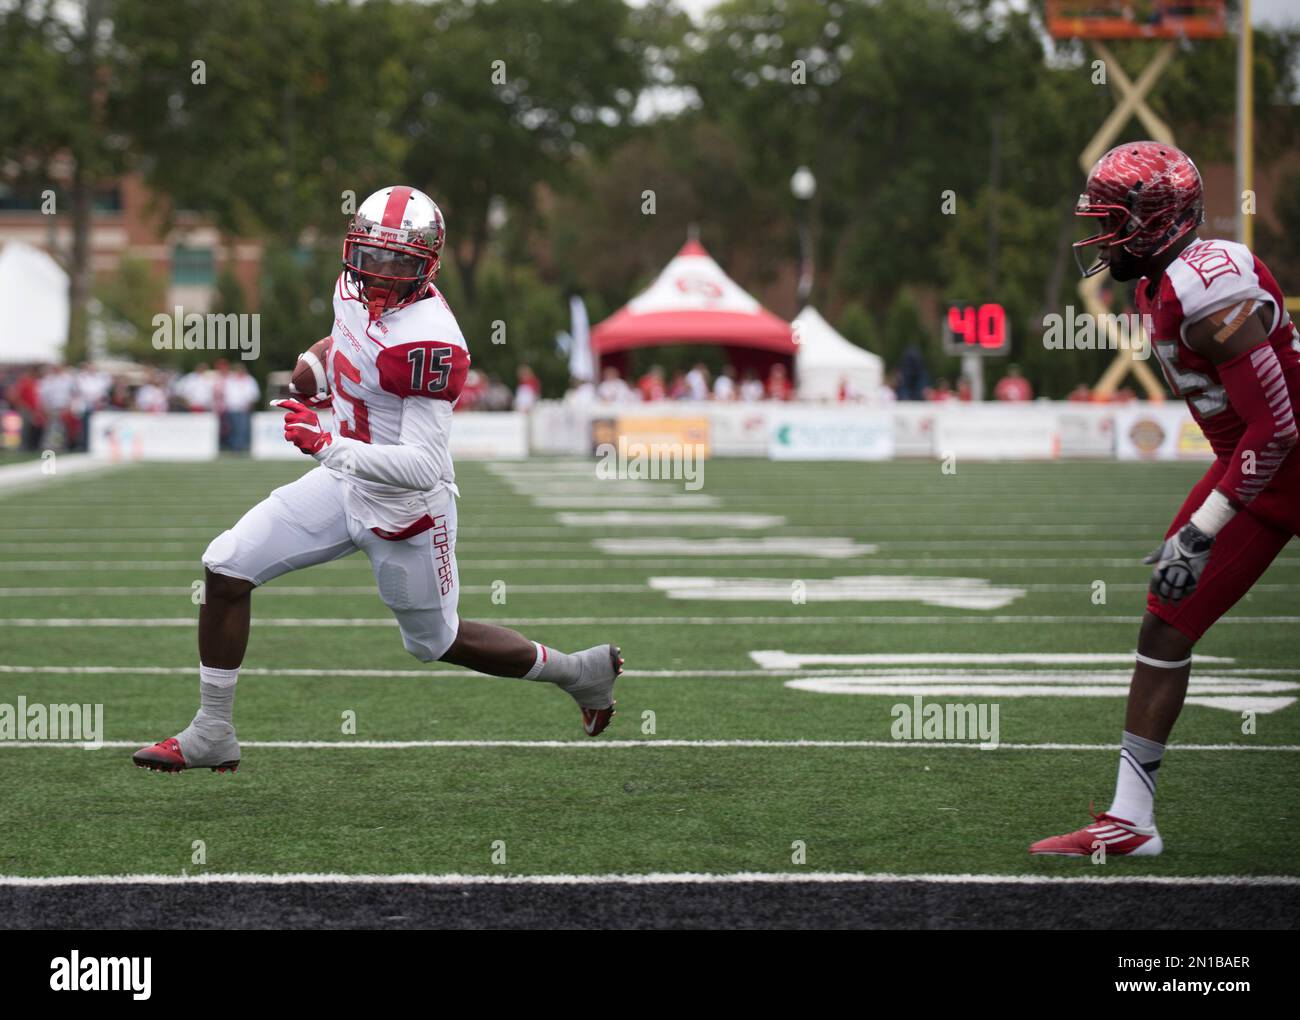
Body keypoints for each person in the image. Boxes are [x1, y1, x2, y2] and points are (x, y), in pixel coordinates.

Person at [132, 186, 622, 774]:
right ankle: (213, 731)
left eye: (401, 263)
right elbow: (347, 337)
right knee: (227, 563)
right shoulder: (349, 286)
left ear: (428, 266)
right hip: (343, 485)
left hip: (405, 507)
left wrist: (326, 444)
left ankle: (580, 674)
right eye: (372, 257)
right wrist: (318, 368)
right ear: (352, 249)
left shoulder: (430, 340)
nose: (382, 275)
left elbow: (421, 466)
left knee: (435, 642)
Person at [1031, 142, 1300, 857]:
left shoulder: (1210, 285)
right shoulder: (1157, 284)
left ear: (1156, 221)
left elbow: (1279, 425)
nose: (1098, 234)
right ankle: (1130, 820)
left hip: (1280, 458)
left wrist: (1204, 528)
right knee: (1165, 623)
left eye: (1111, 219)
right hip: (1259, 469)